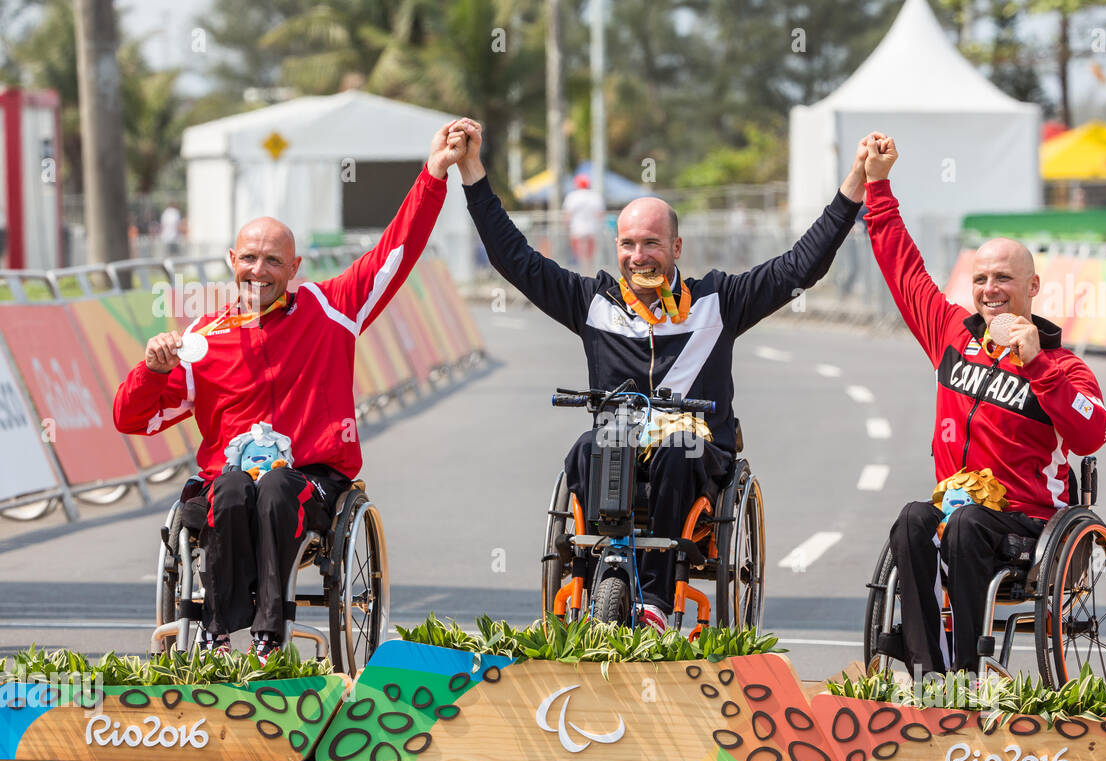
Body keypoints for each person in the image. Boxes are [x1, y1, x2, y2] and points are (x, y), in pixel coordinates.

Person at [456, 119, 869, 631]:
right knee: (588, 446)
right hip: (619, 443)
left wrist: (854, 184)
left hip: (697, 451)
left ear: (677, 248)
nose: (638, 257)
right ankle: (594, 572)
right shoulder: (593, 304)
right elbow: (513, 259)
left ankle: (652, 598)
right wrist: (472, 170)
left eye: (651, 244)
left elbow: (799, 266)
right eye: (628, 244)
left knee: (679, 448)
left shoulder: (720, 302)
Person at [114, 120, 470, 659]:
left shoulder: (331, 311)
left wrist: (434, 174)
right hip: (231, 487)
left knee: (278, 486)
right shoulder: (201, 339)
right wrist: (152, 372)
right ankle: (216, 633)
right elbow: (131, 419)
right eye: (250, 259)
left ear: (295, 267)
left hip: (311, 483)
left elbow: (396, 252)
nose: (260, 271)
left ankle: (268, 635)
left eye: (274, 260)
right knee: (232, 487)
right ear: (232, 263)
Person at [861, 132, 1106, 676]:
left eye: (1003, 278)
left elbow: (1094, 431)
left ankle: (971, 673)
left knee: (970, 525)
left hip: (1027, 525)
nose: (990, 289)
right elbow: (903, 269)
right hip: (958, 513)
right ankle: (932, 671)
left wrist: (1037, 366)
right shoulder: (950, 334)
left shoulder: (1063, 365)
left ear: (1033, 286)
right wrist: (878, 185)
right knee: (911, 520)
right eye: (980, 279)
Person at [562, 173, 606, 272]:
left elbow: (567, 214)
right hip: (592, 228)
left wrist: (566, 226)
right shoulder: (594, 196)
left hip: (576, 228)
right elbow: (600, 214)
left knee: (578, 250)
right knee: (589, 251)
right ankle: (588, 267)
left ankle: (582, 267)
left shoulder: (572, 196)